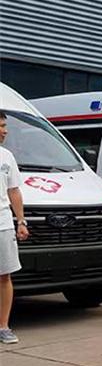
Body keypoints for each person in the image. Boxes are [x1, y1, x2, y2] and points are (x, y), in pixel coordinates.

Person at [0, 111, 30, 344]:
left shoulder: (7, 157)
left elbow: (14, 191)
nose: (5, 131)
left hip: (3, 224)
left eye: (5, 126)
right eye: (0, 126)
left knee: (4, 276)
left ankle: (3, 326)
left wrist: (21, 221)